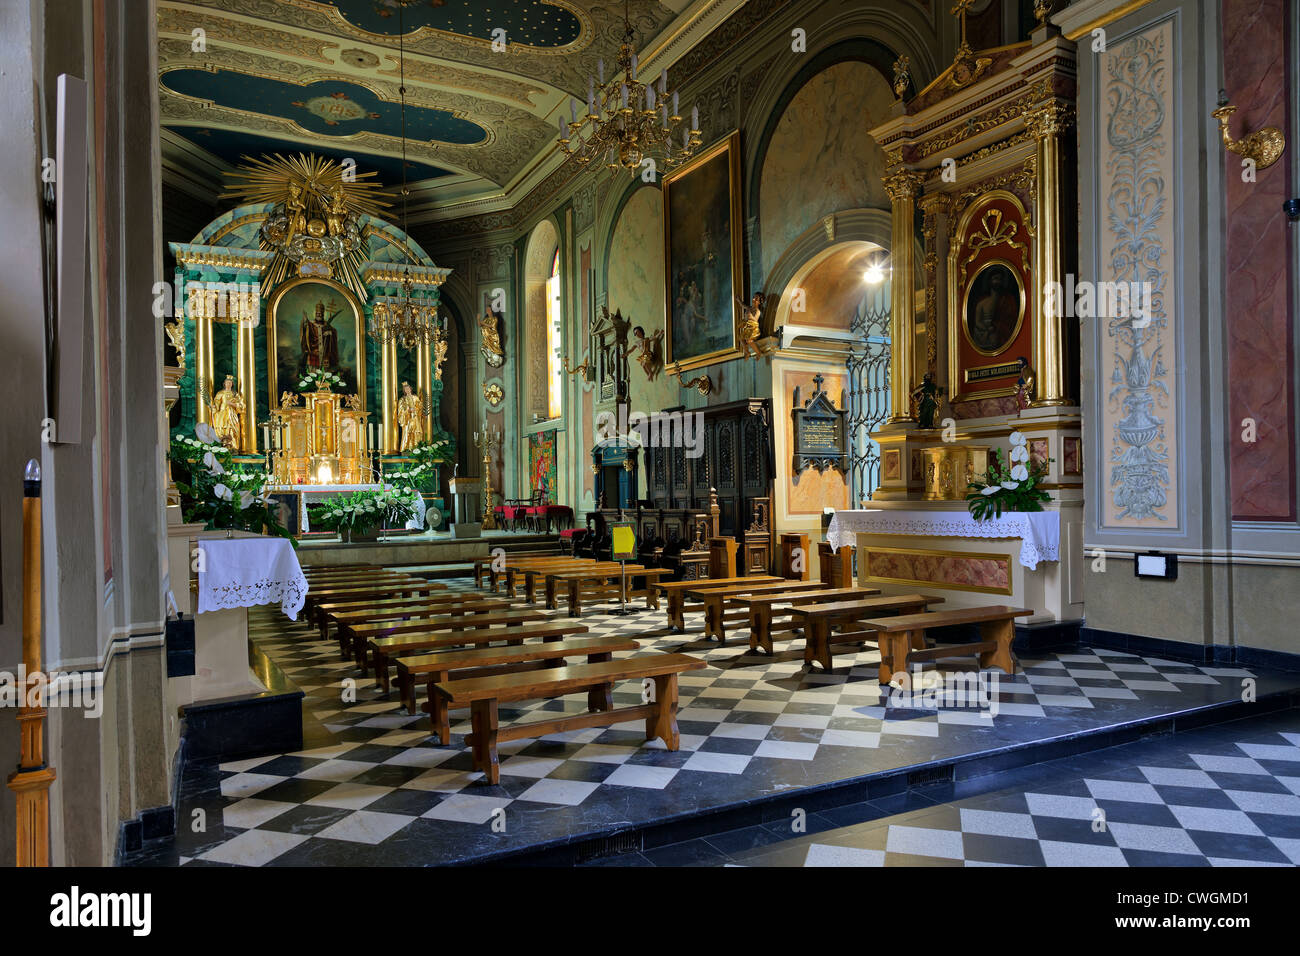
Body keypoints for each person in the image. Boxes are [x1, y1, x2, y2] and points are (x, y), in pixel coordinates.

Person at [210, 374, 245, 450]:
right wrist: (215, 407)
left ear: (232, 384)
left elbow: (241, 405)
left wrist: (232, 404)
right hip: (222, 414)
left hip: (232, 414)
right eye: (227, 383)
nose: (228, 384)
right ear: (224, 384)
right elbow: (216, 402)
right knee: (222, 428)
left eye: (230, 383)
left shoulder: (235, 394)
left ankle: (233, 446)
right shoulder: (220, 393)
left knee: (232, 429)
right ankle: (222, 444)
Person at [396, 381, 424, 452]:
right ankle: (407, 448)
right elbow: (400, 409)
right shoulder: (402, 400)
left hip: (415, 418)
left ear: (411, 389)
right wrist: (408, 410)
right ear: (404, 391)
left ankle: (416, 447)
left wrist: (416, 409)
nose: (407, 390)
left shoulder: (415, 398)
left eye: (408, 388)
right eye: (406, 389)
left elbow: (420, 407)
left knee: (416, 432)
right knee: (407, 432)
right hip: (407, 419)